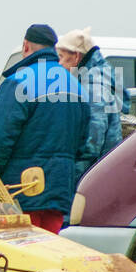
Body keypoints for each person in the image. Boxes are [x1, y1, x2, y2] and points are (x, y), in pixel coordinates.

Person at [0, 23, 89, 234]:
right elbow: (82, 141)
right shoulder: (76, 86)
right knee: (47, 254)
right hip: (59, 188)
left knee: (20, 254)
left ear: (25, 46)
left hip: (20, 189)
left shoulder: (18, 82)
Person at [56, 27, 124, 180]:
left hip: (95, 172)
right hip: (103, 168)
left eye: (61, 57)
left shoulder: (93, 84)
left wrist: (72, 174)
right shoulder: (92, 78)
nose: (59, 64)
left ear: (76, 57)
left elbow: (93, 140)